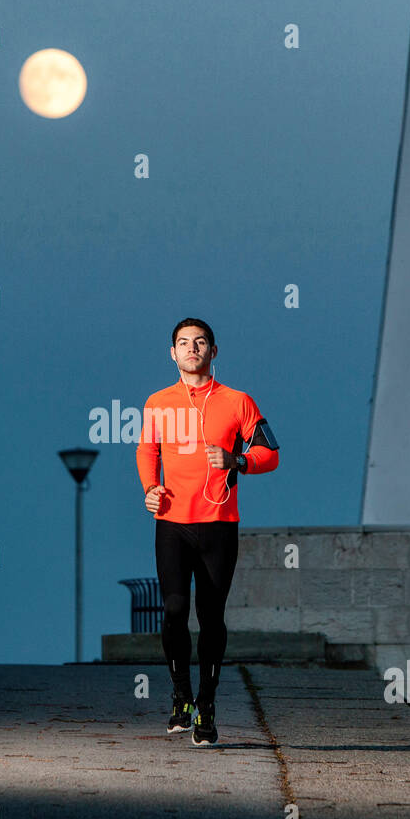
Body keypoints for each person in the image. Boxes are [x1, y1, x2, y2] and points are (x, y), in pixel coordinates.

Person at [135, 318, 280, 745]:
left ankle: (207, 705)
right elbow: (147, 451)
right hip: (173, 525)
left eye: (200, 342)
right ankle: (181, 697)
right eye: (183, 343)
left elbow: (270, 452)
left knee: (211, 617)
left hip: (219, 526)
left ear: (213, 351)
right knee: (175, 611)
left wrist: (238, 462)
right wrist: (150, 489)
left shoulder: (237, 402)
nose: (192, 348)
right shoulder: (157, 402)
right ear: (172, 353)